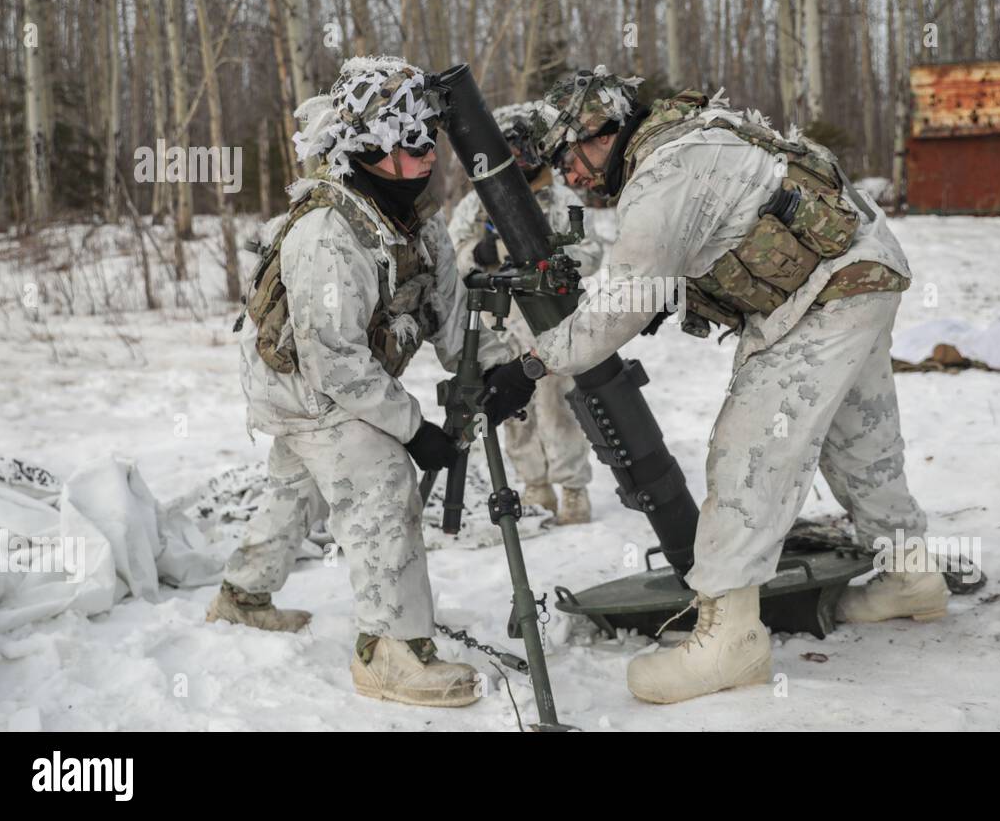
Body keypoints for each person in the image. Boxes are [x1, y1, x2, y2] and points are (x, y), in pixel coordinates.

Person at [530, 67, 946, 705]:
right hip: (863, 269)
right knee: (857, 432)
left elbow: (618, 307)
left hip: (820, 298)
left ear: (603, 133)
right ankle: (910, 574)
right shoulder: (692, 138)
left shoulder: (663, 174)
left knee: (750, 449)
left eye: (568, 156)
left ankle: (730, 637)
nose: (569, 177)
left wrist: (531, 364)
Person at [207, 56, 537, 709]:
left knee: (295, 490)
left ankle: (241, 597)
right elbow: (335, 364)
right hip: (308, 390)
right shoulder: (329, 234)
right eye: (410, 143)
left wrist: (499, 364)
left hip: (336, 385)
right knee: (382, 484)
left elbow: (448, 316)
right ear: (369, 146)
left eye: (430, 141)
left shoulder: (418, 221)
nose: (427, 156)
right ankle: (391, 652)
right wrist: (415, 434)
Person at [446, 102, 602, 524]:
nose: (516, 160)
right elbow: (452, 263)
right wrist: (484, 252)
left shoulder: (560, 198)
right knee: (515, 409)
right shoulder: (477, 205)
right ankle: (534, 485)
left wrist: (547, 254)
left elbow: (589, 253)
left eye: (522, 150)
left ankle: (573, 489)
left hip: (554, 316)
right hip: (501, 322)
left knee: (560, 406)